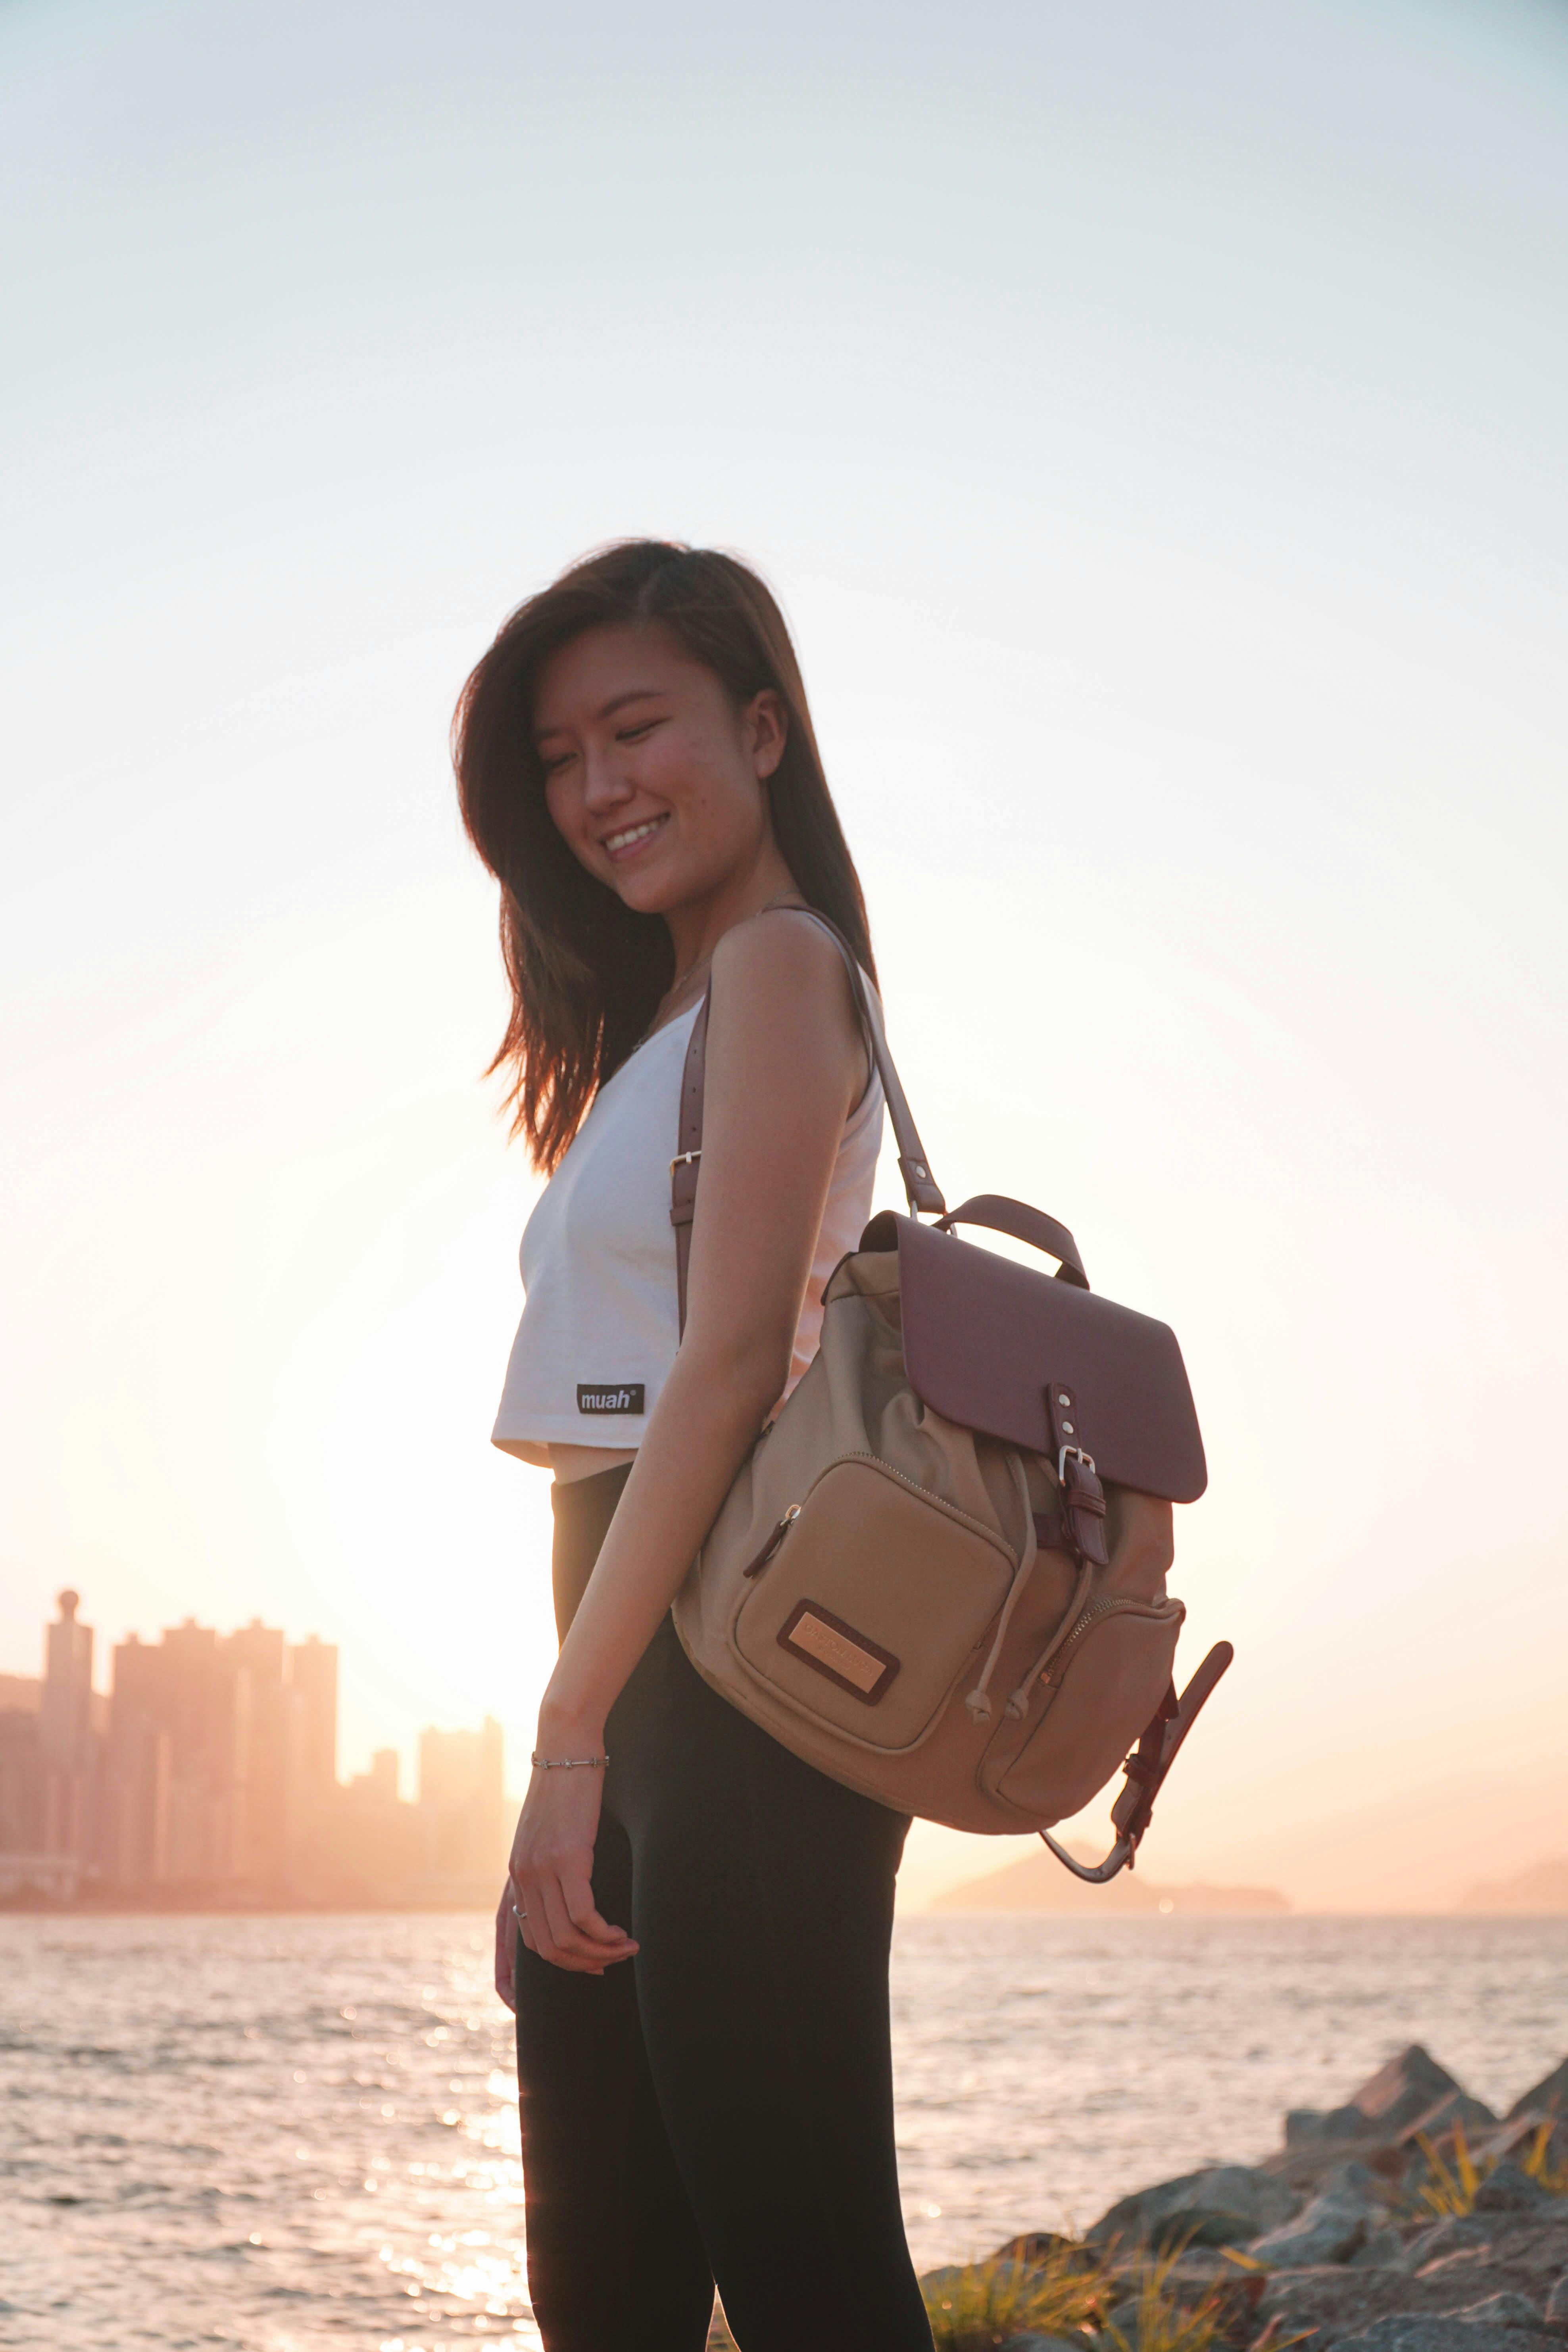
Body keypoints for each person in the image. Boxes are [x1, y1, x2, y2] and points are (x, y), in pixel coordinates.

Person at [453, 541, 934, 2352]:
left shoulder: (782, 967)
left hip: (742, 1698)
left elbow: (730, 1365)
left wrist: (569, 1737)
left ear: (762, 729)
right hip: (632, 1679)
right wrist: (577, 1750)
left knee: (815, 2284)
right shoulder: (655, 1026)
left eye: (635, 728)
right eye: (559, 759)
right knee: (605, 2299)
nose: (598, 788)